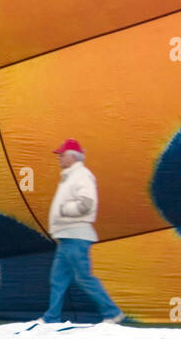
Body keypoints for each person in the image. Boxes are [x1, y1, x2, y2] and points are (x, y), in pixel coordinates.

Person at [42, 139, 127, 324]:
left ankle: (112, 313)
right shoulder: (70, 176)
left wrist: (64, 210)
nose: (59, 158)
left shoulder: (82, 176)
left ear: (72, 157)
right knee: (58, 278)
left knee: (83, 277)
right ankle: (51, 318)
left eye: (62, 155)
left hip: (76, 235)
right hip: (67, 236)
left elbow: (87, 203)